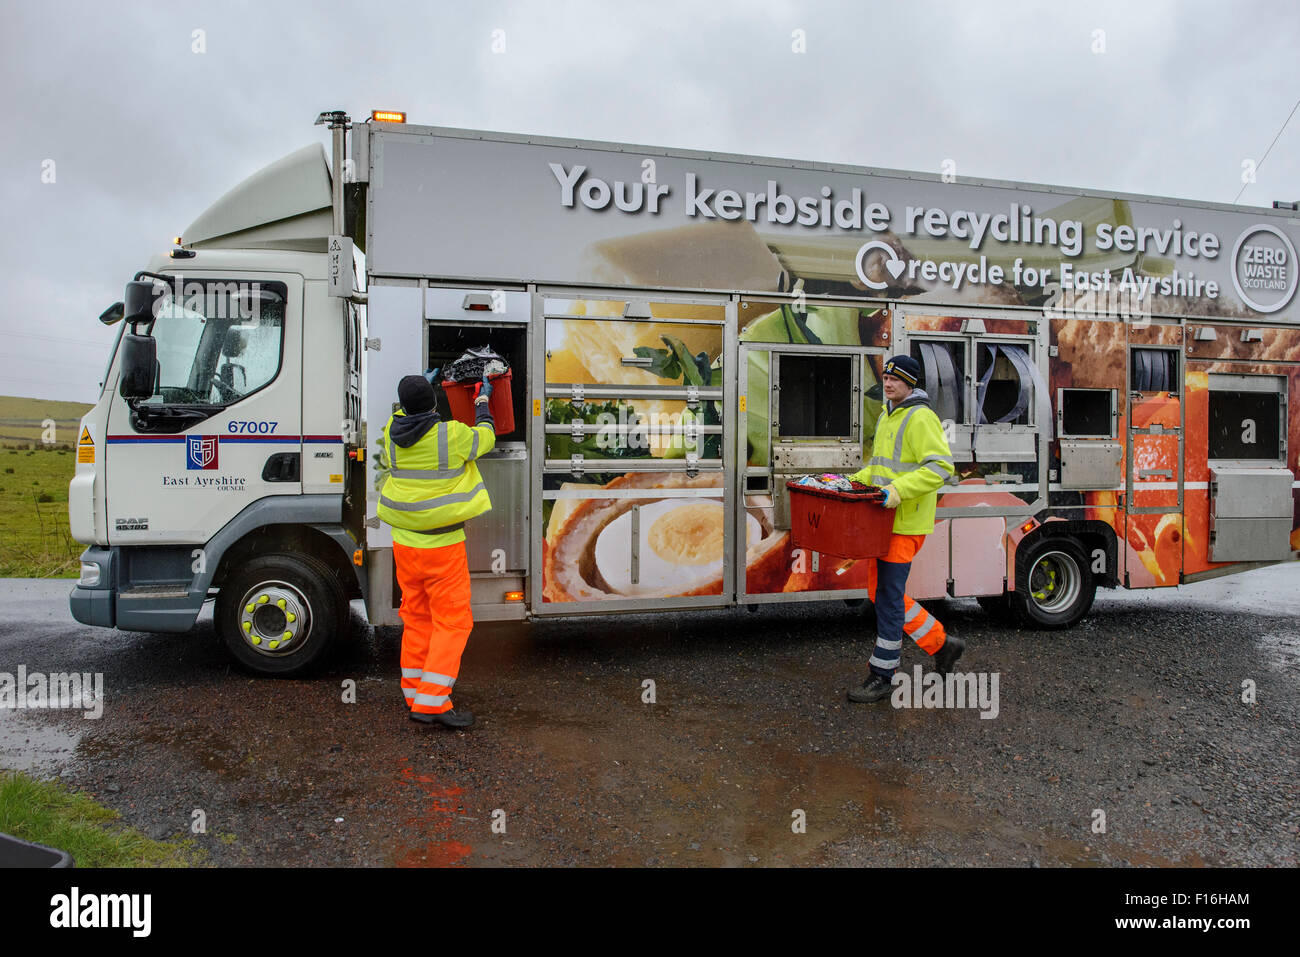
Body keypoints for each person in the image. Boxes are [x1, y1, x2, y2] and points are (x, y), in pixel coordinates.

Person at [377, 372, 495, 728]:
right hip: (441, 547)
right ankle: (433, 704)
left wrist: (420, 388)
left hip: (405, 544)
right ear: (432, 403)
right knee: (453, 621)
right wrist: (482, 402)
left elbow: (402, 413)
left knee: (416, 618)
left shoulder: (390, 434)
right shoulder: (451, 435)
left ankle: (415, 693)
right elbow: (486, 438)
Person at [846, 354, 965, 703]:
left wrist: (897, 492)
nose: (887, 383)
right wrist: (851, 481)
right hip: (884, 523)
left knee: (887, 599)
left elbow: (942, 468)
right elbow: (880, 469)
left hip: (904, 523)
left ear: (910, 383)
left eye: (895, 379)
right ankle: (942, 645)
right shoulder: (888, 414)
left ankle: (883, 675)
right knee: (879, 592)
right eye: (885, 377)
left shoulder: (920, 417)